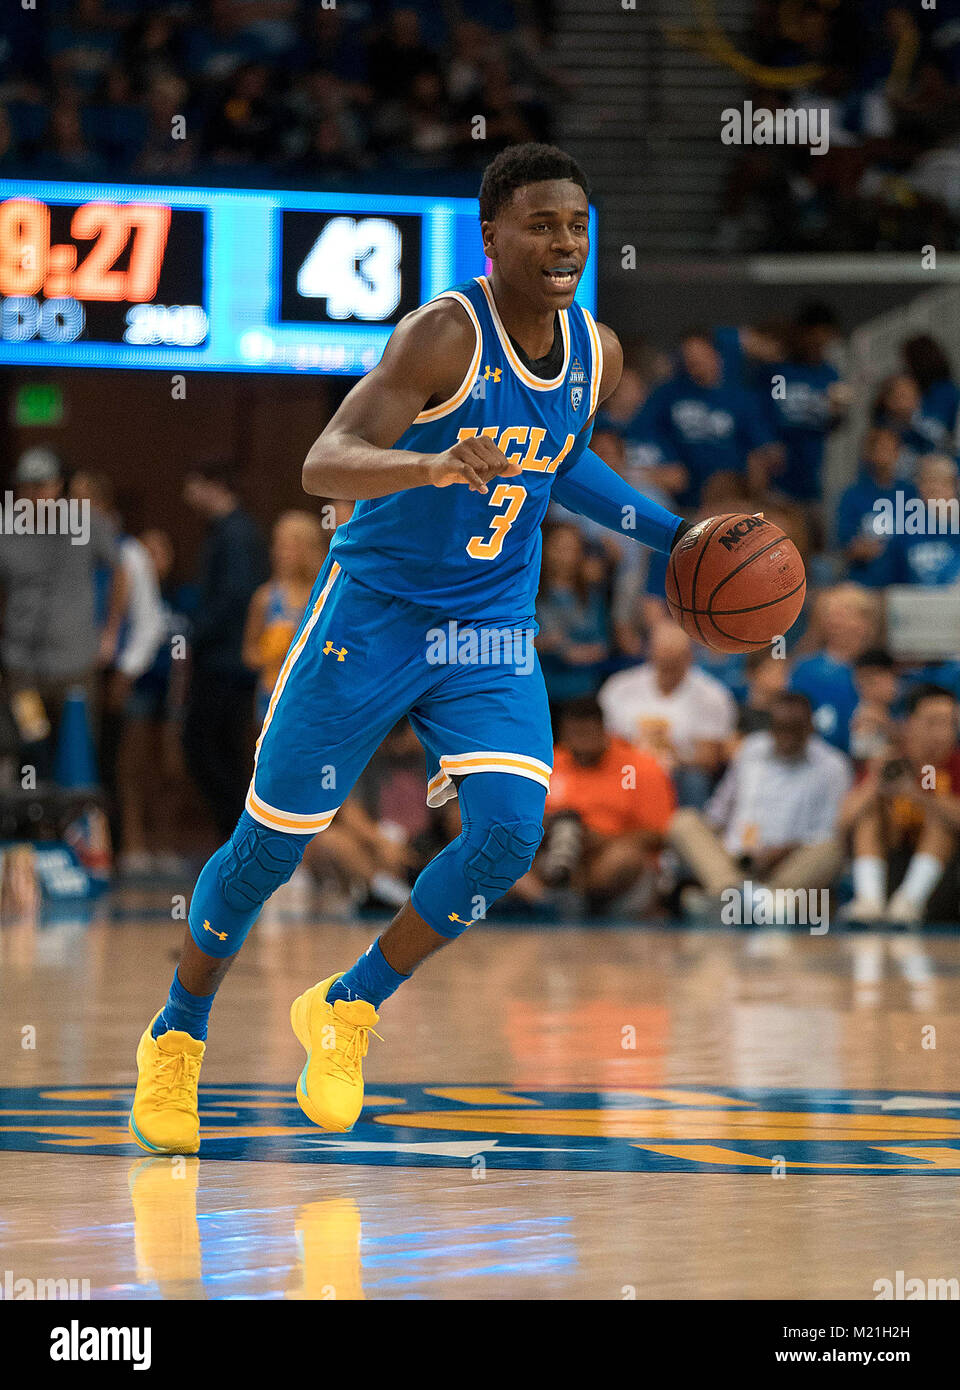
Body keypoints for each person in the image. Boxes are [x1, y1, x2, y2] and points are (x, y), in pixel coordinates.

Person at [129, 142, 715, 1155]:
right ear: (491, 238)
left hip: (488, 626)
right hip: (372, 617)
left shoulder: (597, 353)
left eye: (577, 224)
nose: (565, 242)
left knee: (505, 837)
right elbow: (326, 460)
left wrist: (679, 536)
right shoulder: (443, 336)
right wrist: (431, 463)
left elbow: (564, 465)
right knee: (271, 847)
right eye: (541, 223)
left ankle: (349, 1005)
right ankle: (177, 1034)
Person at [0, 449, 123, 780]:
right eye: (28, 488)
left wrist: (110, 631)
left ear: (58, 487)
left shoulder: (87, 522)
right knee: (28, 749)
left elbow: (121, 569)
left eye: (44, 487)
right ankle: (31, 827)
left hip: (75, 666)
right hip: (23, 668)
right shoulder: (6, 527)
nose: (37, 496)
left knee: (77, 755)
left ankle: (78, 827)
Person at [669, 692, 851, 915]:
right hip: (735, 859)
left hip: (789, 865)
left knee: (831, 849)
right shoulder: (750, 749)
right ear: (771, 727)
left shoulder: (832, 766)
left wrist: (780, 852)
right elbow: (719, 810)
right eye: (780, 728)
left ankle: (734, 902)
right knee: (684, 821)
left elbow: (826, 832)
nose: (787, 737)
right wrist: (714, 843)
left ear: (810, 728)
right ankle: (740, 896)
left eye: (794, 729)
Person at [518, 694, 675, 915]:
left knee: (623, 857)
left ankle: (573, 901)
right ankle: (547, 901)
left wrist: (599, 840)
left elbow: (660, 834)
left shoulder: (640, 767)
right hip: (550, 853)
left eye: (587, 733)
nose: (581, 742)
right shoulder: (546, 763)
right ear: (563, 733)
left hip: (609, 858)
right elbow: (517, 817)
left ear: (603, 730)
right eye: (574, 734)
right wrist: (546, 826)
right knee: (494, 844)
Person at [181, 460, 268, 841]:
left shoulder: (235, 533)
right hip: (222, 661)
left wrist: (197, 634)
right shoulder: (224, 532)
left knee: (210, 747)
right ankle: (234, 834)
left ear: (213, 484)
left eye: (193, 482)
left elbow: (235, 596)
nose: (187, 494)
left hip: (225, 664)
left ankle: (236, 832)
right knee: (217, 749)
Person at [841, 685, 960, 925]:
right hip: (890, 860)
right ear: (909, 723)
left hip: (942, 874)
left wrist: (917, 794)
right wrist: (875, 782)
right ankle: (869, 901)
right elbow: (843, 821)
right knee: (868, 814)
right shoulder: (890, 760)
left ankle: (909, 902)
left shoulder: (956, 763)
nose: (942, 733)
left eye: (949, 723)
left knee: (941, 817)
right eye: (933, 722)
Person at [597, 623, 736, 807]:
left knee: (694, 780)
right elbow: (603, 739)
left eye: (675, 658)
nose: (667, 664)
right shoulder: (619, 687)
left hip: (678, 772)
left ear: (689, 657)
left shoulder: (712, 695)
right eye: (662, 655)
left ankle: (688, 826)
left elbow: (708, 759)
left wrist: (673, 758)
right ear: (651, 653)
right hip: (627, 766)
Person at [243, 510, 326, 727]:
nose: (281, 553)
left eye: (290, 546)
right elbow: (248, 653)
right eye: (278, 545)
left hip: (312, 697)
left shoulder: (321, 598)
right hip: (272, 696)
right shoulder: (265, 598)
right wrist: (270, 652)